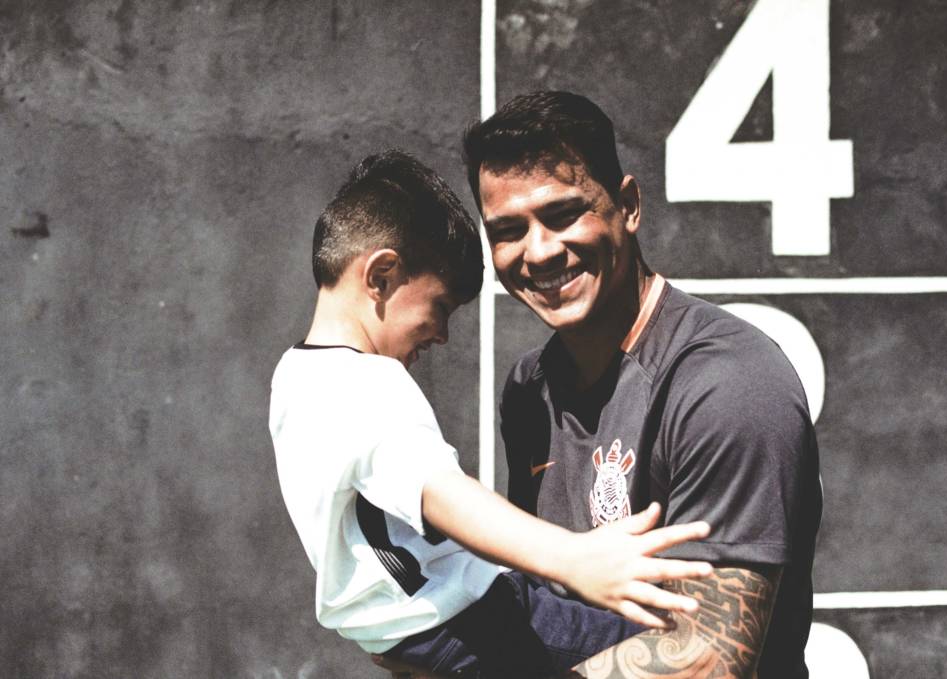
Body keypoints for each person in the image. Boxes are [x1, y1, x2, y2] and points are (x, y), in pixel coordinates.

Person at [268, 149, 716, 678]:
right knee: (694, 655)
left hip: (420, 635)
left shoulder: (295, 377)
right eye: (439, 308)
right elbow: (441, 494)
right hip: (469, 621)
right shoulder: (366, 383)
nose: (442, 335)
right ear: (382, 275)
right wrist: (575, 559)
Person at [459, 91, 823, 679]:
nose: (540, 251)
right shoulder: (529, 388)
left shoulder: (729, 382)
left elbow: (707, 657)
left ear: (627, 206)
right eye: (507, 230)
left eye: (562, 215)